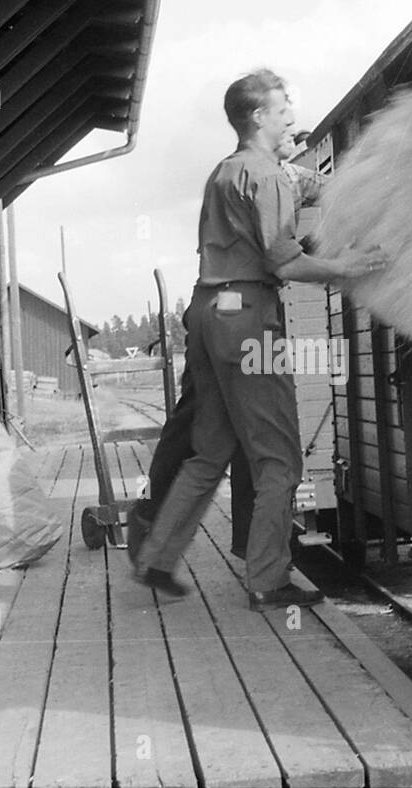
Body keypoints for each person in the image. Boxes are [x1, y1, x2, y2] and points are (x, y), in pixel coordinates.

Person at [132, 69, 384, 609]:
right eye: (282, 105)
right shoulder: (268, 178)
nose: (291, 112)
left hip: (207, 314)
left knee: (212, 450)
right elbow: (285, 258)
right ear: (257, 117)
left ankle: (156, 556)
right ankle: (269, 580)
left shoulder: (229, 171)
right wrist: (349, 265)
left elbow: (299, 184)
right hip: (249, 317)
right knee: (280, 459)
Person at [126, 130, 322, 562]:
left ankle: (237, 539)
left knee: (226, 427)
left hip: (235, 310)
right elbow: (282, 248)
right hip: (239, 315)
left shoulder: (265, 173)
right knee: (222, 425)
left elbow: (322, 189)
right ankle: (160, 522)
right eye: (286, 128)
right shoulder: (267, 175)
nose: (292, 136)